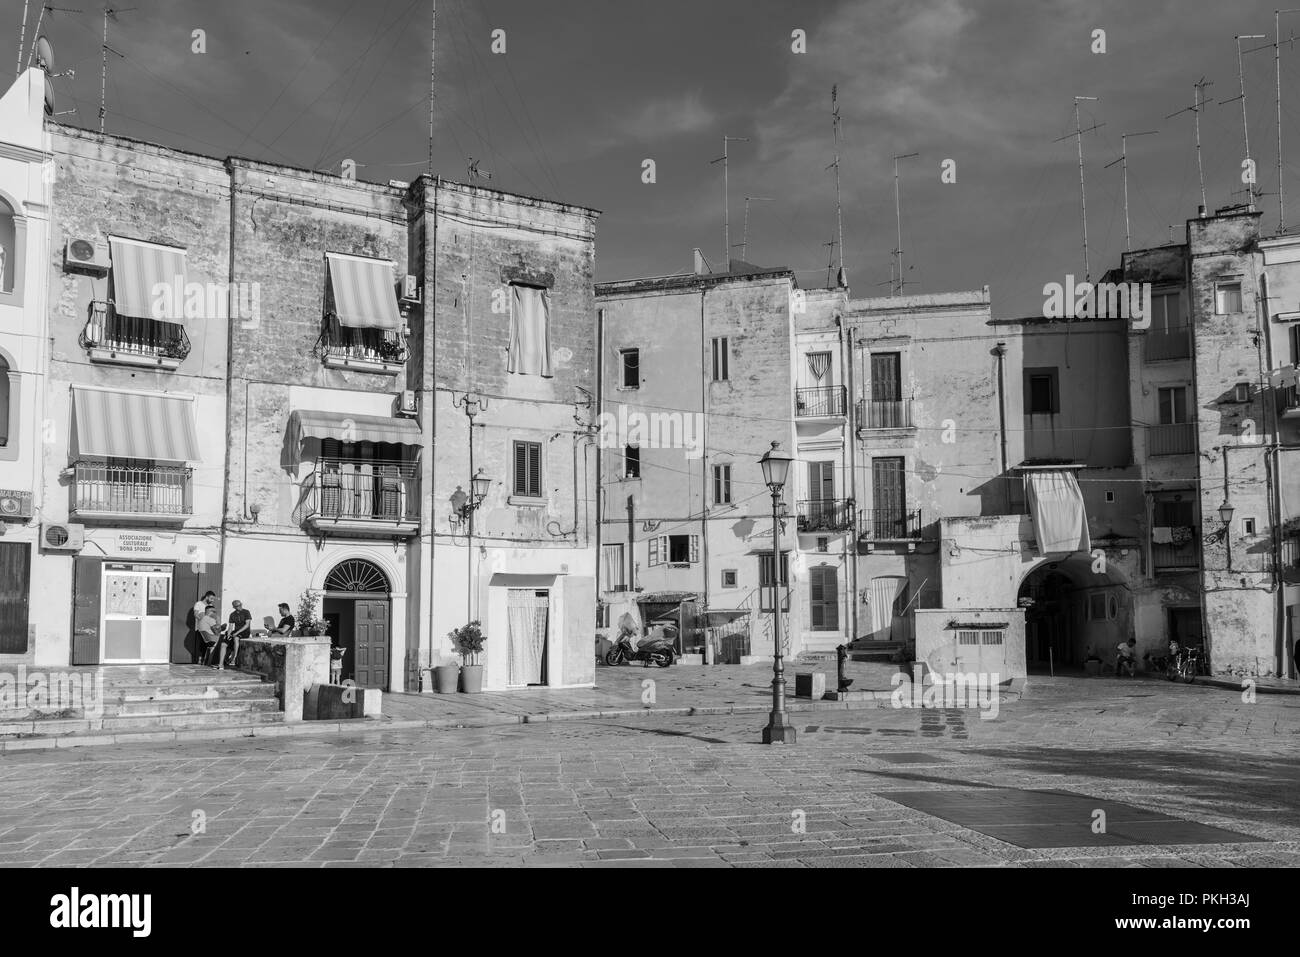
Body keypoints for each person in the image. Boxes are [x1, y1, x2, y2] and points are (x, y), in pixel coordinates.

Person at [221, 599, 252, 669]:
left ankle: (234, 658)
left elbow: (247, 625)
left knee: (236, 637)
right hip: (236, 631)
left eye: (240, 605)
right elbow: (230, 626)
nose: (240, 606)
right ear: (234, 607)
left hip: (245, 631)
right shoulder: (232, 614)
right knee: (225, 639)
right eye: (238, 606)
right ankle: (223, 660)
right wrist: (228, 634)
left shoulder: (246, 612)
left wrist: (236, 633)